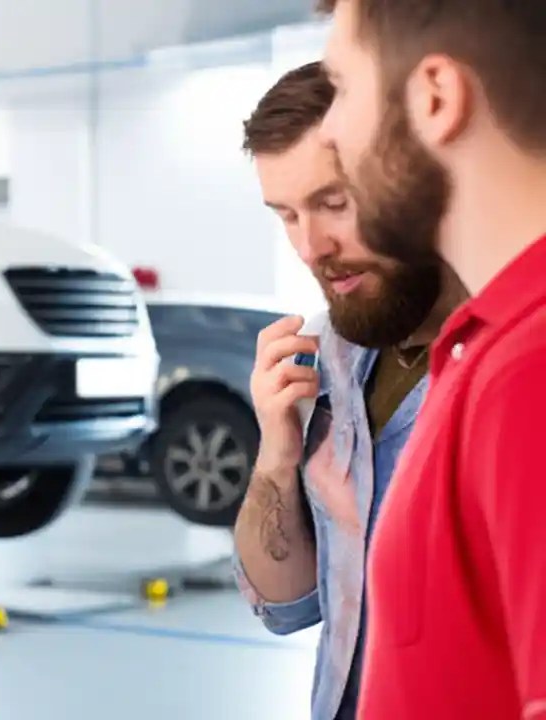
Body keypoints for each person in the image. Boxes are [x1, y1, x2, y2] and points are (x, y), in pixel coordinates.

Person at [315, 1, 546, 717]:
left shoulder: (528, 372)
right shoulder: (486, 350)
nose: (329, 130)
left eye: (343, 89)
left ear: (435, 97)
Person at [230, 61, 465, 720]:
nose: (311, 246)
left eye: (335, 203)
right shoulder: (334, 351)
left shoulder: (512, 363)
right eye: (286, 215)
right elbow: (285, 605)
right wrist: (276, 454)